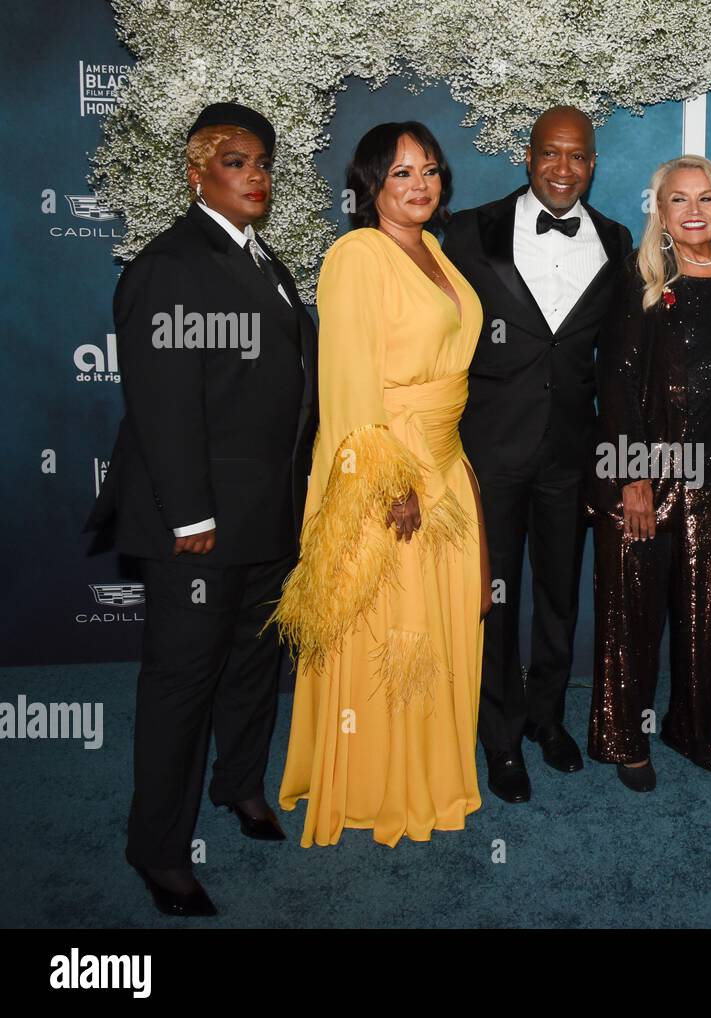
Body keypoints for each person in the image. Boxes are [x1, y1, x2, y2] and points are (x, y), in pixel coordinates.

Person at [86, 102, 318, 916]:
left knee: (255, 666)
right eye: (236, 162)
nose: (255, 176)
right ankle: (158, 851)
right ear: (197, 173)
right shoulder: (171, 265)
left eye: (262, 163)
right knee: (183, 684)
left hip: (267, 518)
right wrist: (190, 518)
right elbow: (164, 405)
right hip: (201, 527)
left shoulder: (269, 264)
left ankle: (240, 784)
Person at [271, 122, 489, 844]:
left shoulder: (433, 250)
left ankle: (429, 773)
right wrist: (387, 482)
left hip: (446, 466)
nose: (420, 183)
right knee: (392, 634)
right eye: (401, 173)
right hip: (390, 477)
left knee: (439, 628)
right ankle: (375, 783)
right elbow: (348, 381)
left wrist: (452, 471)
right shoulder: (356, 256)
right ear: (369, 186)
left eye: (429, 170)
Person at [442, 106, 633, 804]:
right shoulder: (469, 231)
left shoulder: (616, 241)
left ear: (592, 164)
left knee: (558, 591)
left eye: (577, 156)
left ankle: (548, 719)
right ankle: (500, 736)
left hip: (568, 454)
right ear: (527, 157)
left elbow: (613, 363)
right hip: (487, 450)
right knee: (492, 597)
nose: (563, 169)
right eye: (550, 154)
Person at [588, 155, 711, 792]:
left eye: (706, 199)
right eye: (678, 200)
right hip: (648, 474)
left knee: (705, 616)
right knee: (631, 613)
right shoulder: (640, 280)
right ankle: (623, 736)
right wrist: (631, 475)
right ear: (659, 210)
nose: (693, 211)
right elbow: (617, 381)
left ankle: (690, 729)